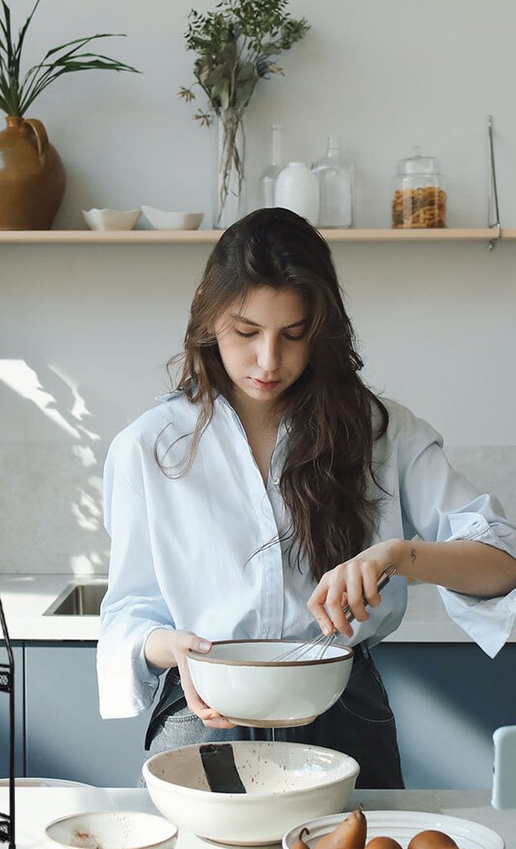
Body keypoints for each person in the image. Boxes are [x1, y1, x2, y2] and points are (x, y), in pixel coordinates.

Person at [96, 207, 516, 788]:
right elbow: (128, 615)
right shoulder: (147, 447)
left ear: (320, 333)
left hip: (343, 711)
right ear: (207, 313)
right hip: (205, 713)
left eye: (293, 336)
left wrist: (396, 555)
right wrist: (173, 646)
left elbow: (501, 563)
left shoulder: (382, 434)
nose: (269, 361)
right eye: (246, 333)